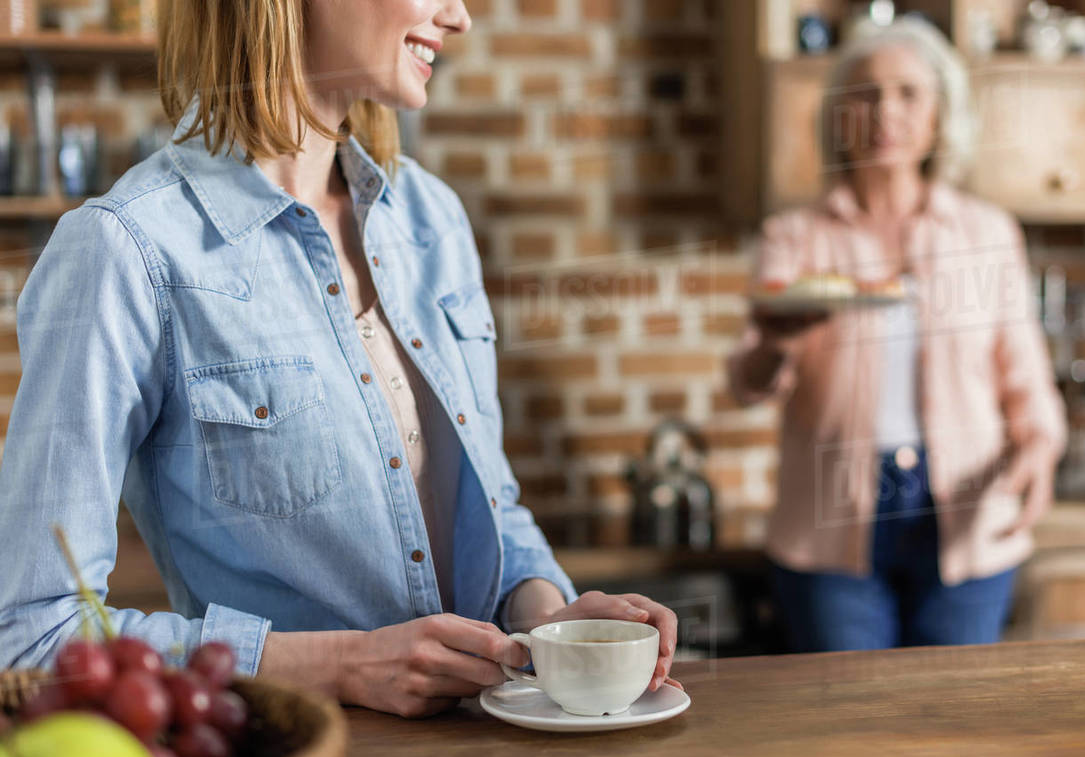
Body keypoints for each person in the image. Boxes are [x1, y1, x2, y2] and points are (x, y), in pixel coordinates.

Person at [0, 0, 677, 718]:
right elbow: (32, 635)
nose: (460, 17)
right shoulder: (125, 250)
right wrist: (340, 665)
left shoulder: (431, 217)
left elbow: (494, 511)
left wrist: (552, 619)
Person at [727, 18, 1067, 653]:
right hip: (830, 526)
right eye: (866, 93)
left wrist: (1039, 451)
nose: (886, 111)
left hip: (968, 517)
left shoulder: (987, 233)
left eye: (909, 93)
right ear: (837, 117)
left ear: (941, 116)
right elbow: (748, 383)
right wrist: (777, 343)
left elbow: (1026, 380)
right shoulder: (795, 237)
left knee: (953, 720)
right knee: (851, 729)